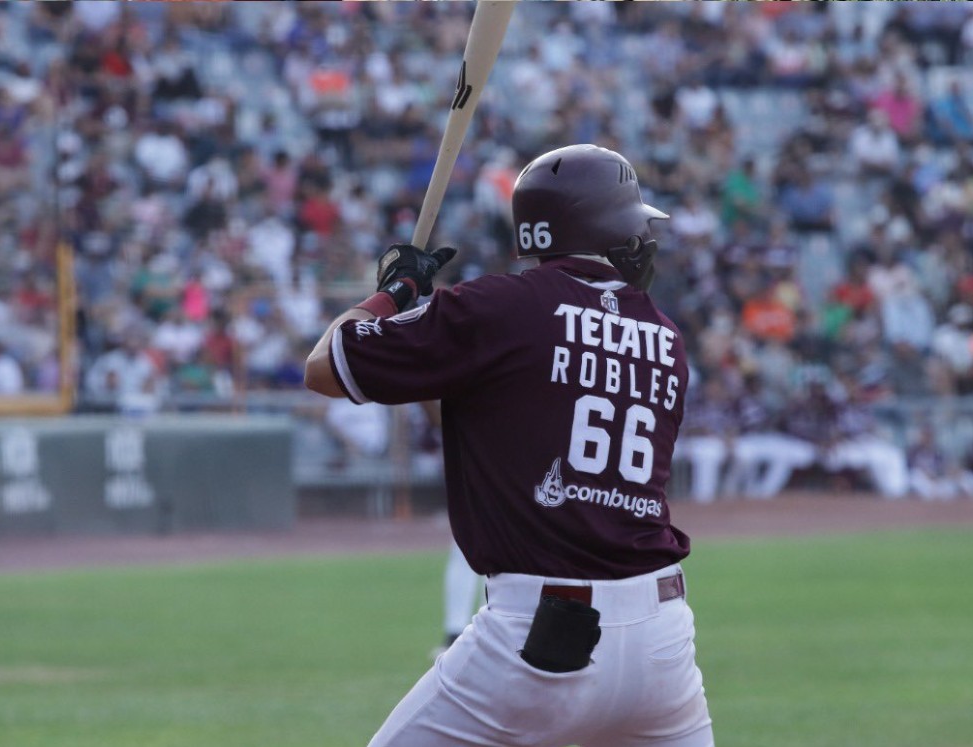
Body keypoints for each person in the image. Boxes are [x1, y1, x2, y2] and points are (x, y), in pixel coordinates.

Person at [304, 144, 713, 747]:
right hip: (664, 641)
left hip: (538, 631)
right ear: (601, 228)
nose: (642, 240)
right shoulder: (665, 335)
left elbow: (323, 367)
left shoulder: (498, 307)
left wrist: (395, 293)